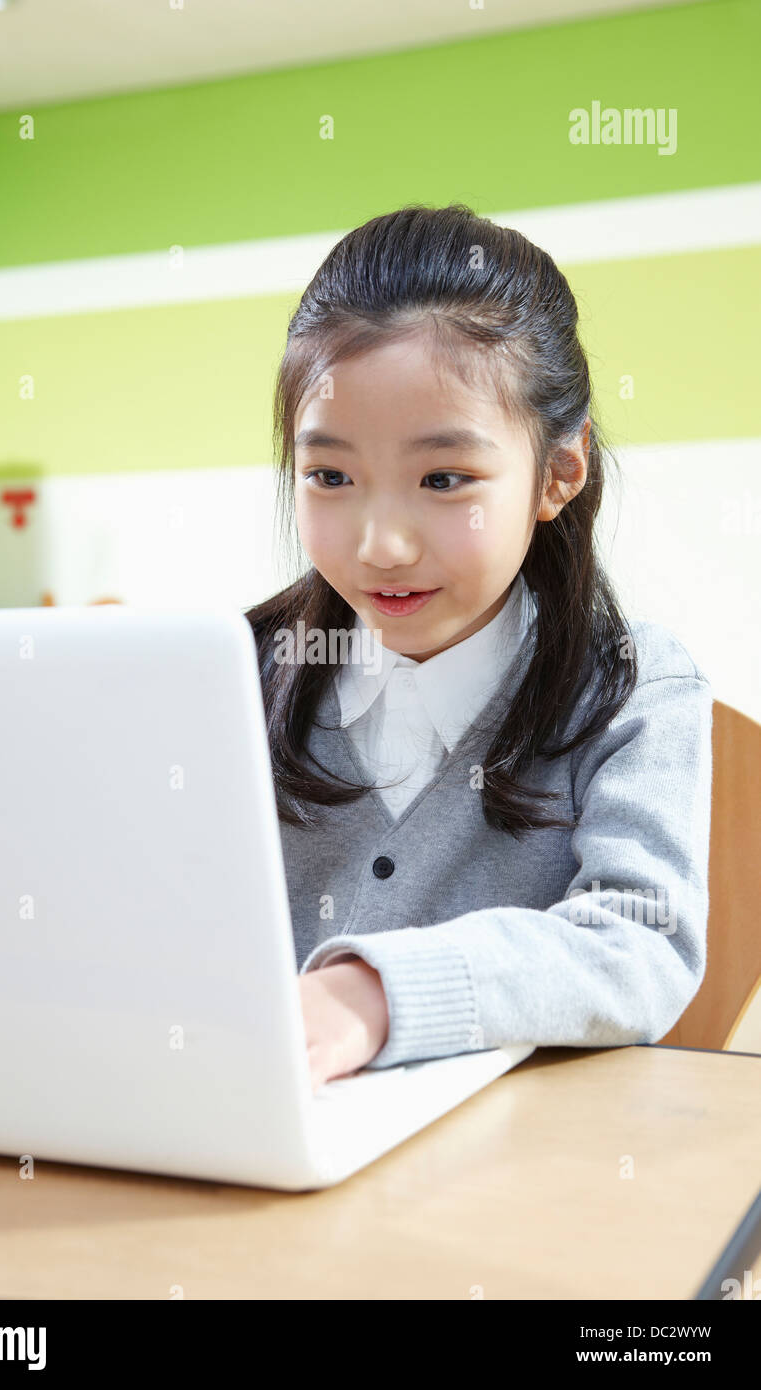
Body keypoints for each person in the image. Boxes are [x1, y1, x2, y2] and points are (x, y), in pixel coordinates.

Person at [246, 203, 713, 1094]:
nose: (382, 543)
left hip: (516, 1187)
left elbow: (640, 941)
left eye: (444, 479)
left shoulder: (632, 688)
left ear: (556, 476)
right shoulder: (239, 673)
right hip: (258, 1164)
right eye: (330, 476)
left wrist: (377, 996)